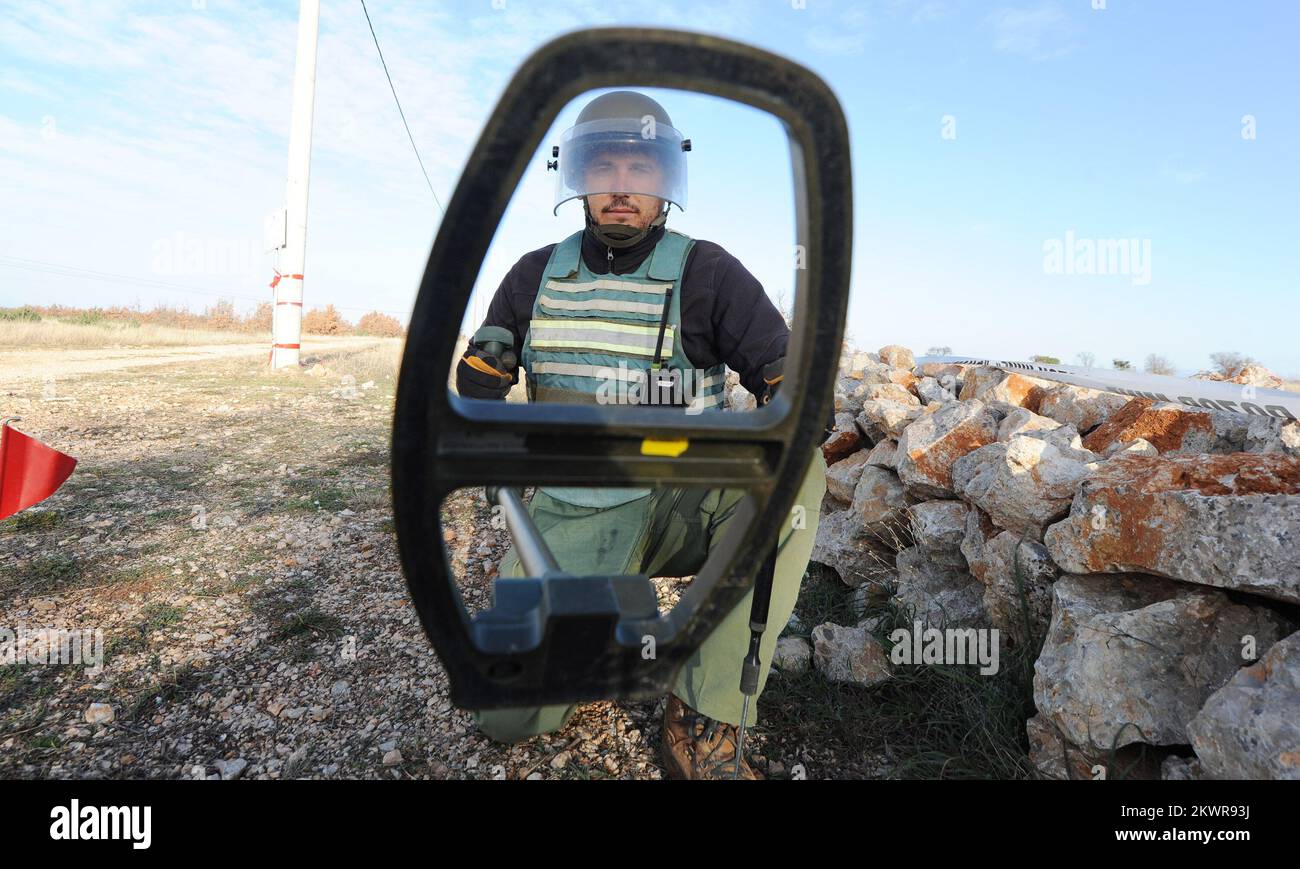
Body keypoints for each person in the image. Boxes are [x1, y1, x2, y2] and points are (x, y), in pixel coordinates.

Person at [456, 91, 826, 779]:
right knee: (505, 714)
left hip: (683, 499)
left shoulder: (709, 272)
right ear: (579, 179)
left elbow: (786, 375)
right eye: (605, 168)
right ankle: (594, 632)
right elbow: (477, 377)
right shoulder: (533, 275)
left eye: (641, 169)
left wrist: (794, 395)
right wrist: (481, 375)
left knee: (796, 473)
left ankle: (705, 710)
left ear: (667, 183)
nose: (622, 187)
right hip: (575, 510)